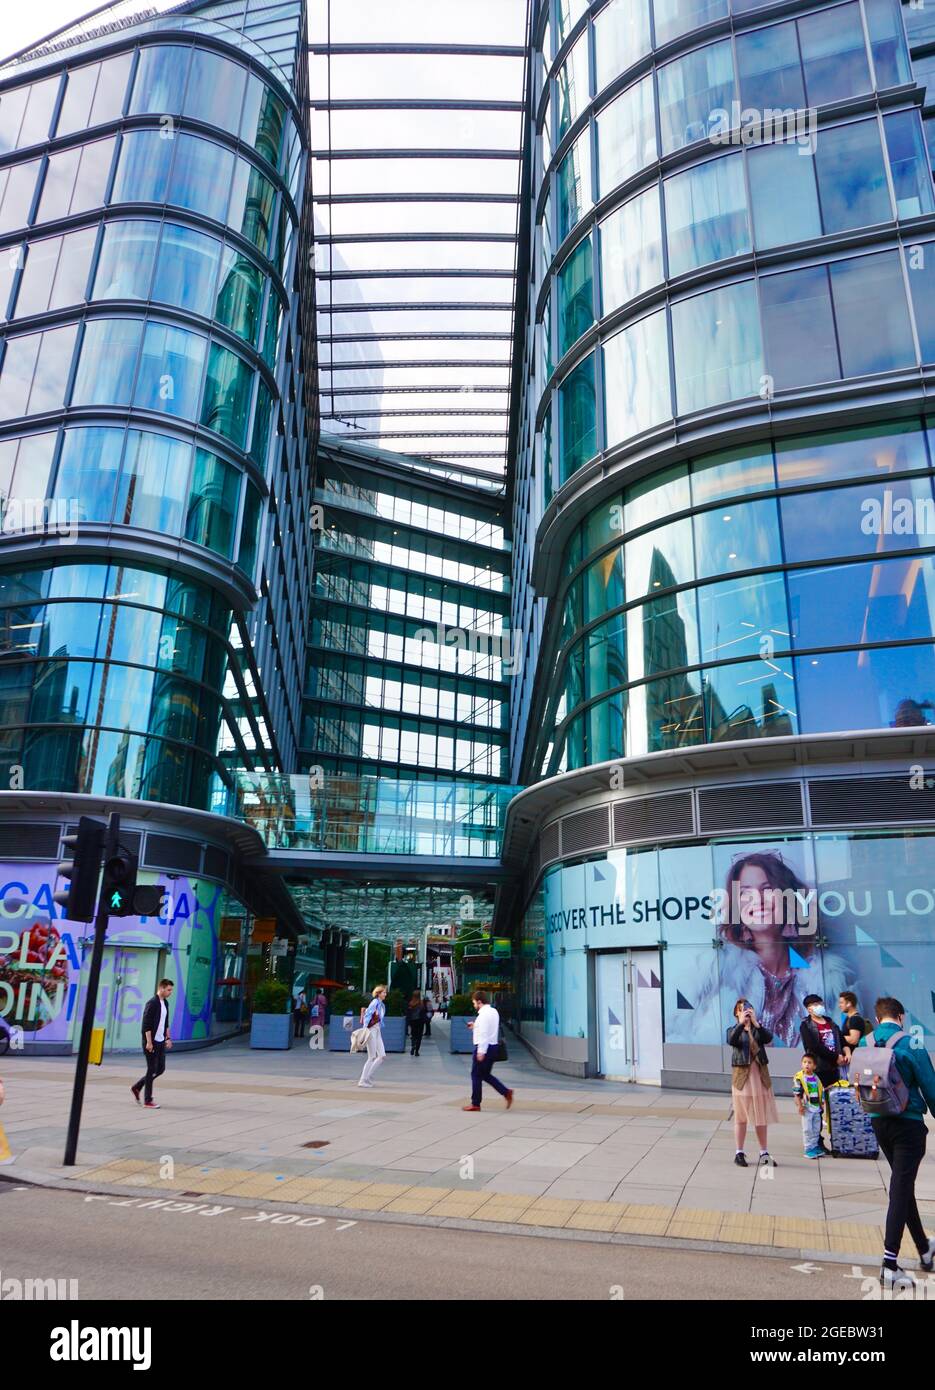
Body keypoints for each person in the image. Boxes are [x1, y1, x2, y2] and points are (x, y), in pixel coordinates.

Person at [667, 851, 851, 1049]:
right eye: (745, 892)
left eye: (767, 888)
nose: (758, 899)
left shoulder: (827, 978)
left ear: (788, 898)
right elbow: (679, 1036)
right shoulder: (713, 973)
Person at [859, 996, 935, 1290]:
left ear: (878, 1019)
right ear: (901, 1017)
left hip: (879, 1121)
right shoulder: (911, 1042)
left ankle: (924, 1248)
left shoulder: (866, 1042)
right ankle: (889, 1264)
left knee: (903, 1186)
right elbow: (929, 1084)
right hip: (909, 1125)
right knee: (900, 1189)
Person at [727, 997, 778, 1167]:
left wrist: (756, 1023)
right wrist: (741, 1024)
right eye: (742, 1009)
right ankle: (739, 1152)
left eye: (748, 1008)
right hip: (742, 1078)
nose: (746, 1011)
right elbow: (732, 1040)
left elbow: (768, 1038)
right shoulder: (733, 1029)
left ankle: (764, 1152)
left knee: (760, 1117)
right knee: (741, 1117)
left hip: (760, 1076)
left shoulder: (758, 1029)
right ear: (736, 1012)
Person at [462, 990, 513, 1112]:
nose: (474, 1005)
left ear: (479, 1002)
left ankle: (475, 1103)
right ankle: (506, 1092)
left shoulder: (483, 1015)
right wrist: (475, 1026)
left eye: (474, 1003)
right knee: (485, 1075)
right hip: (493, 1047)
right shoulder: (493, 1011)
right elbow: (488, 1029)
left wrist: (481, 1051)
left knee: (475, 1075)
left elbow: (484, 1034)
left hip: (484, 1047)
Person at [132, 979, 174, 1109]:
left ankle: (137, 1087)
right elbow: (146, 1025)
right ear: (161, 988)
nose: (170, 992)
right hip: (151, 1042)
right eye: (168, 990)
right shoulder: (152, 1003)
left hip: (161, 1040)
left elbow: (165, 1023)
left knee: (160, 1069)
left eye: (171, 990)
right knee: (151, 1069)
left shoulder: (165, 1003)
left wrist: (168, 1038)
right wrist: (149, 1042)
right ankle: (147, 1100)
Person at [799, 995, 847, 1092]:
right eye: (816, 1005)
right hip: (818, 1068)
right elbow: (814, 1046)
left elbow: (841, 1040)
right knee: (817, 1100)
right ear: (809, 1009)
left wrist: (847, 1053)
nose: (820, 1006)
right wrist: (835, 1057)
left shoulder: (830, 1022)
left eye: (821, 1004)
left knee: (834, 1099)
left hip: (834, 1068)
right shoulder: (806, 1025)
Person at [792, 1053, 825, 1159]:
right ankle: (808, 1148)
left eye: (809, 1063)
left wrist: (822, 1103)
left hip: (816, 1108)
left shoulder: (816, 1078)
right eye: (804, 1062)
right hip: (806, 1108)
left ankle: (814, 1146)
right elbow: (797, 1093)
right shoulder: (800, 1078)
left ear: (814, 1066)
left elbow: (821, 1090)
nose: (807, 1065)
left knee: (816, 1128)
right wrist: (800, 1106)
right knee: (807, 1129)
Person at [358, 984, 387, 1088]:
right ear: (378, 993)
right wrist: (365, 1029)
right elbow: (367, 1015)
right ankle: (362, 1080)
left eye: (385, 992)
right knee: (371, 1057)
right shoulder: (375, 1002)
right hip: (371, 1030)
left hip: (377, 1030)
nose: (385, 994)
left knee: (382, 1056)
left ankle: (368, 1076)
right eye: (384, 992)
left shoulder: (381, 1004)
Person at [839, 991, 868, 1058]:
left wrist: (837, 1037)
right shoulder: (849, 1018)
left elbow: (853, 1040)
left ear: (849, 1003)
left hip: (855, 1059)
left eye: (841, 1003)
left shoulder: (855, 1019)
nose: (839, 1005)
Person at [406, 991, 425, 1057]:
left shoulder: (410, 1003)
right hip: (420, 1021)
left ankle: (413, 1045)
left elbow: (408, 1013)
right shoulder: (421, 1004)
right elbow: (424, 1013)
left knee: (413, 1034)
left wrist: (408, 1021)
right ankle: (416, 1051)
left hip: (412, 1021)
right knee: (419, 1036)